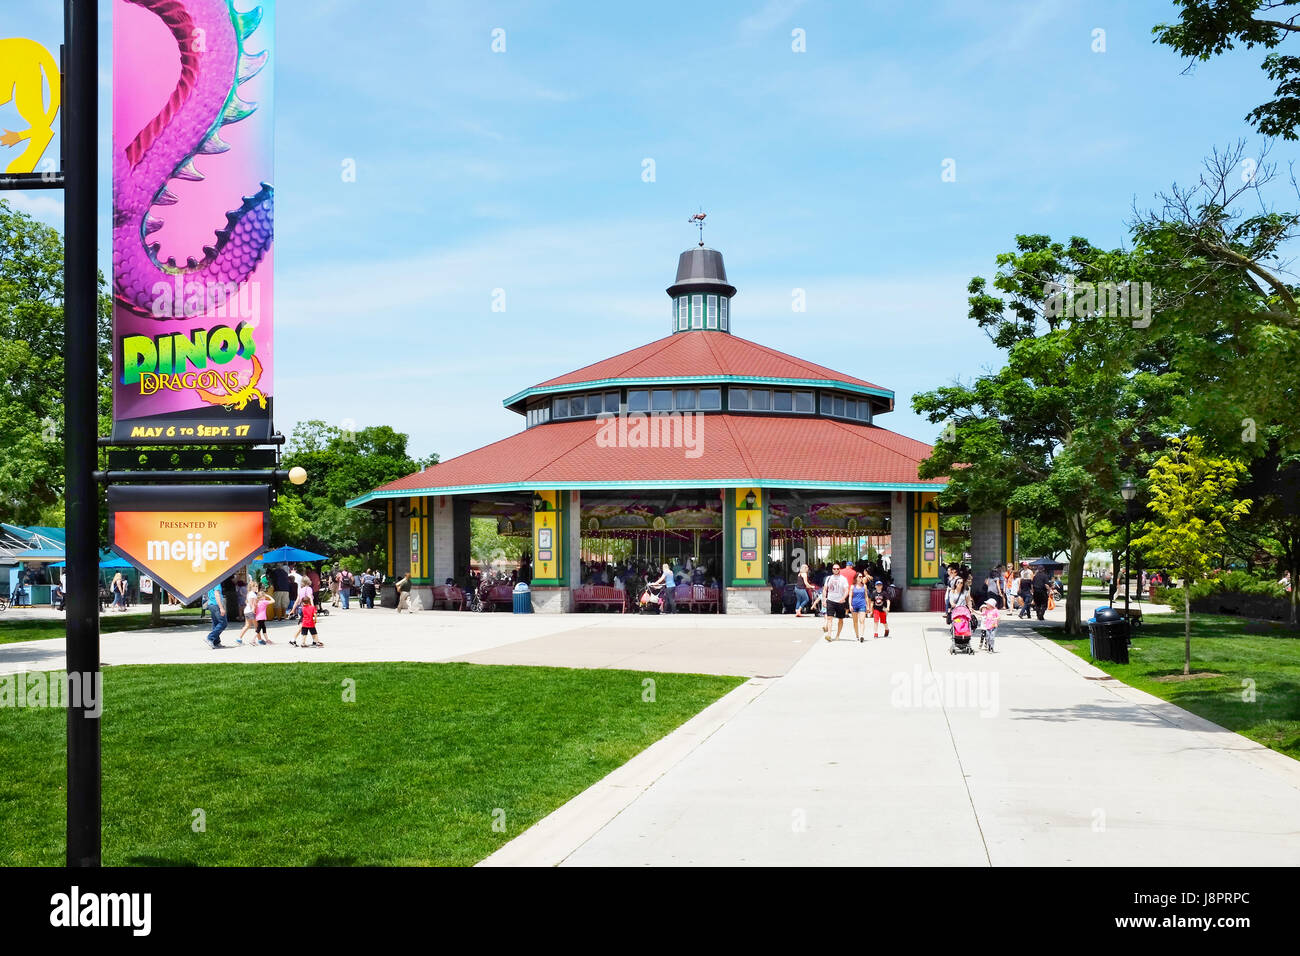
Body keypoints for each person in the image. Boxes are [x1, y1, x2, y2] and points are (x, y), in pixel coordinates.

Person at [822, 562, 850, 641]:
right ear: (832, 570)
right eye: (834, 569)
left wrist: (843, 598)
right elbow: (825, 589)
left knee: (840, 619)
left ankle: (837, 635)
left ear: (839, 569)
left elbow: (846, 590)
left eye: (837, 569)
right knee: (829, 618)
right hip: (830, 600)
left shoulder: (843, 579)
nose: (836, 570)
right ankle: (829, 635)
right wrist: (824, 599)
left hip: (840, 601)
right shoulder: (828, 578)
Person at [204, 581, 228, 648]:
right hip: (216, 605)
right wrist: (221, 607)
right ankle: (210, 637)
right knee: (223, 623)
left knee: (216, 623)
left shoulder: (211, 583)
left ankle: (216, 642)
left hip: (211, 604)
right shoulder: (217, 583)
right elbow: (217, 594)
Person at [849, 571, 869, 642]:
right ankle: (857, 635)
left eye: (862, 577)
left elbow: (866, 596)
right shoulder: (852, 586)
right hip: (854, 605)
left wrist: (868, 606)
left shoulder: (864, 586)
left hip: (862, 605)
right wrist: (850, 605)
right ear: (856, 578)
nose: (861, 578)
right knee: (855, 622)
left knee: (862, 621)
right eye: (859, 577)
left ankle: (861, 636)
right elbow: (850, 596)